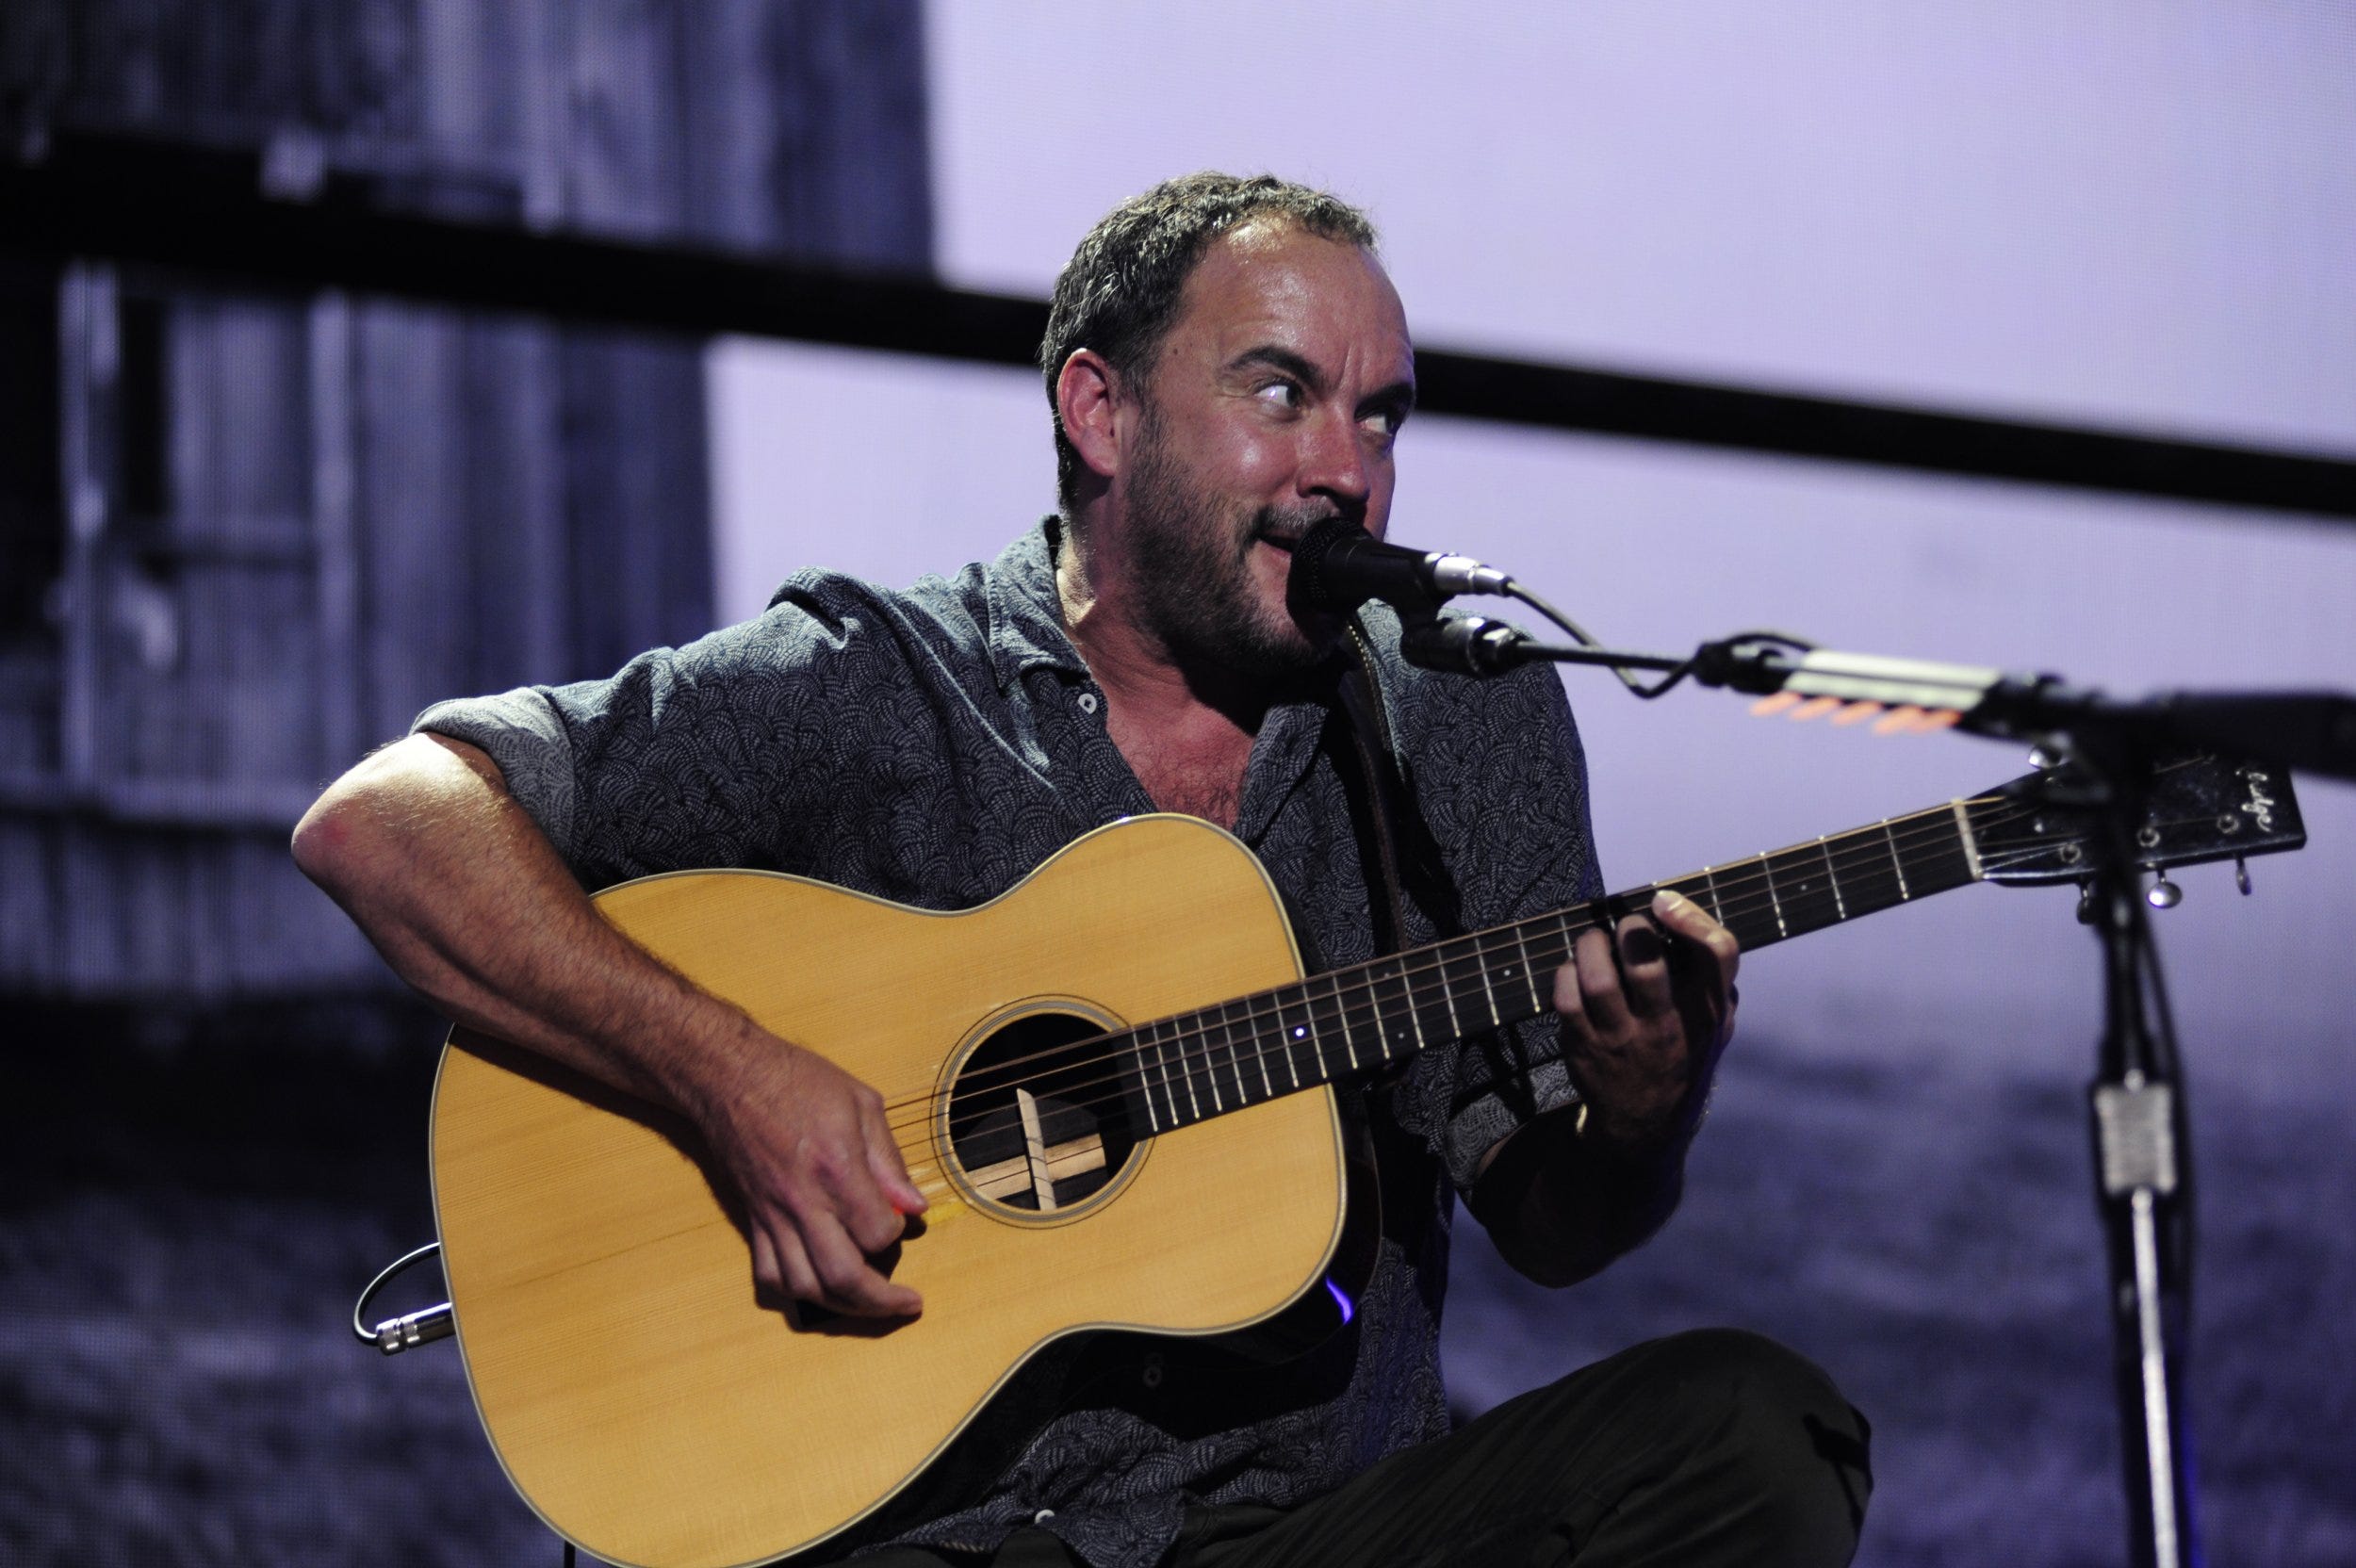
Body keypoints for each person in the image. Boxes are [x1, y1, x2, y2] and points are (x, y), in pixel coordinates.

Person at [294, 172, 1871, 1567]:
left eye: (1381, 414)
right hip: (901, 1535)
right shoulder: (879, 680)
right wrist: (735, 1081)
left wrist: (1644, 1117)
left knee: (1756, 1440)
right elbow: (390, 822)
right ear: (1101, 413)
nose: (1347, 470)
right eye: (1282, 395)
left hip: (1297, 1527)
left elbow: (1558, 1223)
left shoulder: (1460, 719)